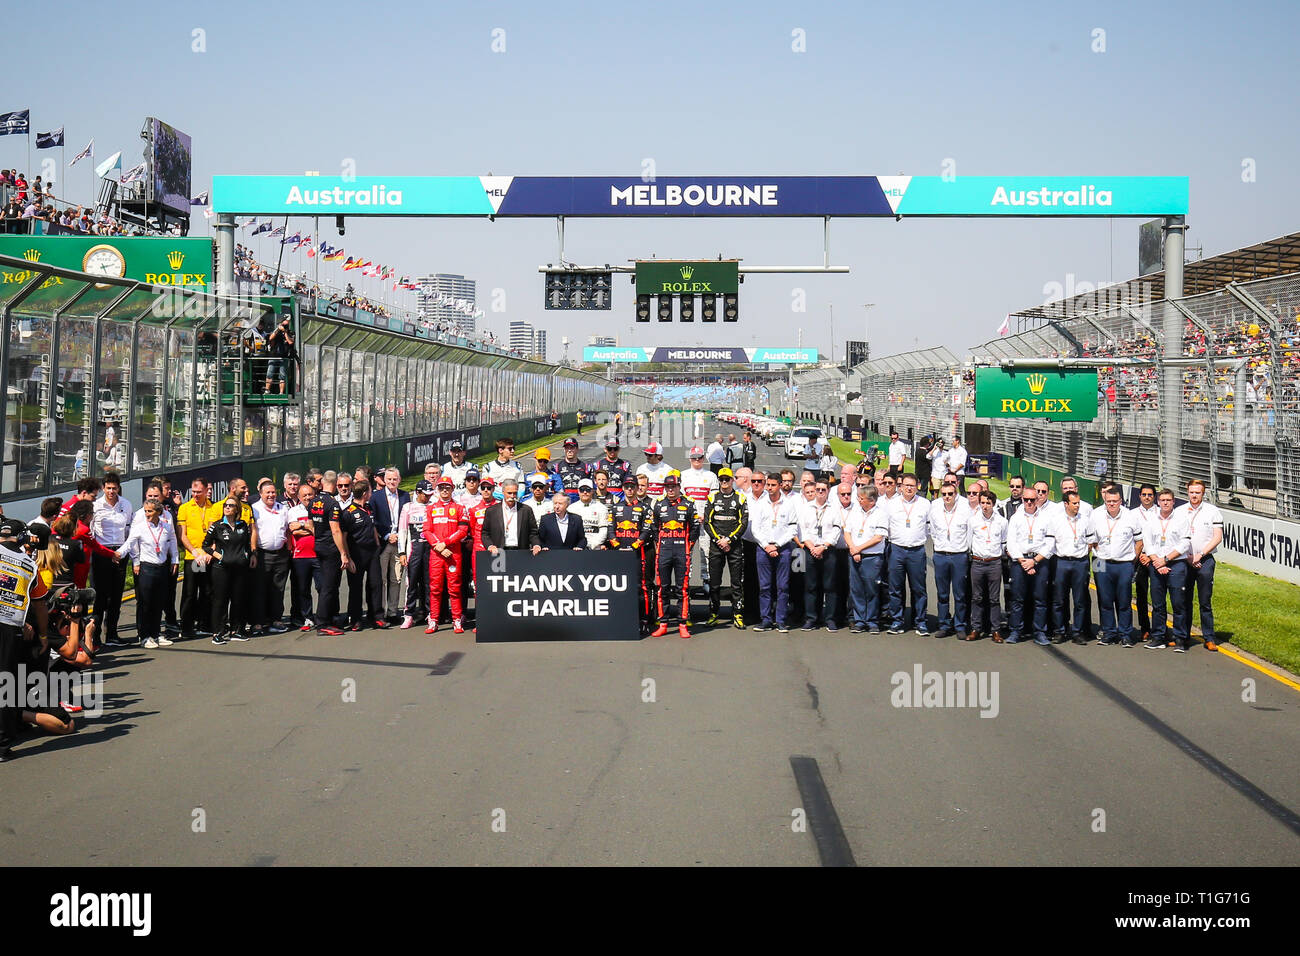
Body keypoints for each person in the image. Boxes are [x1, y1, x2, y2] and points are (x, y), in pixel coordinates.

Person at [117, 499, 179, 649]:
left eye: (150, 511)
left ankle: (156, 634)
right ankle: (144, 636)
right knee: (146, 603)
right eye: (145, 511)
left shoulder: (166, 525)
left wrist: (175, 559)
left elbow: (172, 540)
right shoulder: (140, 527)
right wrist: (118, 553)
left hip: (162, 567)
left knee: (159, 602)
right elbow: (129, 543)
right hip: (147, 568)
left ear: (158, 512)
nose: (147, 514)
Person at [1088, 486, 1145, 647]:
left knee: (1124, 600)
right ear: (1105, 501)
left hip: (1124, 563)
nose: (1111, 504)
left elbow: (1139, 542)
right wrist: (1099, 551)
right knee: (1104, 599)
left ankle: (1125, 634)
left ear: (1121, 501)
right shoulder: (1096, 515)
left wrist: (1132, 560)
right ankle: (1108, 633)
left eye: (1114, 501)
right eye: (1109, 501)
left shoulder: (1130, 516)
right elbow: (1091, 539)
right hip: (1101, 561)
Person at [1141, 488, 1193, 652]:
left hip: (1176, 564)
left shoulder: (1181, 519)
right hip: (1156, 564)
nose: (1165, 503)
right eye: (1162, 500)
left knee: (1178, 603)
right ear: (1158, 502)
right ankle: (1158, 636)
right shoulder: (1151, 520)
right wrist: (1157, 561)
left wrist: (1166, 559)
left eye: (1168, 500)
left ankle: (1180, 638)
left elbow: (1184, 544)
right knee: (1158, 604)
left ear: (1173, 502)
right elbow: (1147, 542)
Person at [650, 471, 700, 638]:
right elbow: (654, 527)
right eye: (668, 487)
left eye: (673, 486)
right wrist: (659, 545)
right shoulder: (658, 504)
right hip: (663, 551)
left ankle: (682, 624)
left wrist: (688, 546)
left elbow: (695, 528)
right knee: (662, 588)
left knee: (682, 589)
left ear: (679, 487)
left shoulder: (689, 504)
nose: (670, 489)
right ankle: (663, 623)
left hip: (681, 551)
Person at [1176, 478, 1223, 651]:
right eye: (1191, 492)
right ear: (1187, 492)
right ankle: (1183, 636)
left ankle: (1209, 638)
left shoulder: (1212, 511)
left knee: (1205, 601)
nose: (1194, 495)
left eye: (1198, 492)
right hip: (1185, 560)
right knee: (1184, 600)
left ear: (1203, 493)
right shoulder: (1179, 511)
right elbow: (1176, 536)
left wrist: (1200, 555)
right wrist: (1189, 557)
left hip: (1205, 560)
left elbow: (1217, 537)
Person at [1004, 487, 1054, 645]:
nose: (1029, 503)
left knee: (1040, 599)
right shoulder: (1016, 518)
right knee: (1017, 599)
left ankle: (1040, 632)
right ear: (1022, 499)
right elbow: (1011, 543)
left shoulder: (1046, 518)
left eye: (1032, 500)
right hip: (1020, 561)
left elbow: (1050, 543)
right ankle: (1015, 631)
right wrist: (1023, 561)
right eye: (1026, 500)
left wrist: (1035, 561)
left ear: (1037, 500)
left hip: (1039, 561)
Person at [750, 473, 799, 633]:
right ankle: (766, 619)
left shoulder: (788, 504)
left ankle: (781, 620)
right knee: (764, 586)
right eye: (768, 485)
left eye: (773, 485)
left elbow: (793, 529)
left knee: (782, 586)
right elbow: (755, 528)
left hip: (783, 549)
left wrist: (777, 545)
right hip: (763, 549)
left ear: (779, 485)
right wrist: (767, 545)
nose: (769, 488)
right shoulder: (761, 504)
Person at [204, 497, 256, 645]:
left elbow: (246, 544)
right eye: (225, 505)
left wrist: (250, 555)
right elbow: (205, 545)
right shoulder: (217, 526)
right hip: (221, 569)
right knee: (220, 601)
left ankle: (236, 631)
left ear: (236, 509)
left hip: (240, 569)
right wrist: (219, 556)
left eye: (231, 505)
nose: (227, 507)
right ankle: (217, 632)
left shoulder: (242, 525)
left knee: (238, 600)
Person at [89, 473, 133, 646]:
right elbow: (91, 532)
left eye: (114, 488)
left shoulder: (126, 504)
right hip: (102, 553)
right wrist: (105, 552)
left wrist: (121, 552)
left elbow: (129, 532)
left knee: (116, 597)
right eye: (108, 488)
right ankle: (95, 636)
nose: (111, 491)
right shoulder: (95, 506)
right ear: (103, 488)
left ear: (118, 488)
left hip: (120, 552)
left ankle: (112, 634)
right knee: (100, 597)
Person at [422, 477, 470, 634]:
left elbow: (463, 531)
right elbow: (426, 530)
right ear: (437, 489)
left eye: (447, 487)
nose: (444, 490)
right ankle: (434, 620)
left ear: (452, 489)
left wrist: (446, 543)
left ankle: (457, 619)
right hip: (437, 554)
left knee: (454, 588)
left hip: (453, 554)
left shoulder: (460, 508)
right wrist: (440, 546)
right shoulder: (430, 508)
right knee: (435, 588)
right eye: (441, 487)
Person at [704, 467, 748, 628]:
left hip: (734, 546)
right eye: (721, 479)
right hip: (716, 546)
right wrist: (719, 540)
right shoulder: (712, 497)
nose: (724, 482)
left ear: (732, 480)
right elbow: (707, 522)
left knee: (736, 583)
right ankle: (713, 613)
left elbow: (743, 523)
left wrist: (729, 540)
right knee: (714, 583)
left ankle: (738, 614)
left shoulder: (740, 498)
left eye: (727, 479)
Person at [609, 480, 656, 634]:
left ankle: (644, 619)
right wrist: (617, 546)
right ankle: (620, 618)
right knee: (618, 586)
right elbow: (610, 529)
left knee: (641, 587)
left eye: (632, 487)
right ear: (623, 488)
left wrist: (634, 546)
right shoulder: (615, 507)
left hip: (637, 553)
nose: (629, 489)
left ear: (636, 488)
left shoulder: (645, 508)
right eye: (627, 487)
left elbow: (647, 530)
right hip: (619, 553)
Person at [308, 478, 352, 636]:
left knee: (330, 585)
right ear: (334, 484)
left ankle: (330, 618)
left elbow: (310, 524)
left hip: (319, 546)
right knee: (328, 586)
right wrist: (343, 553)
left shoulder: (313, 501)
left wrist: (319, 538)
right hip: (330, 549)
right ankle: (322, 623)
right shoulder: (333, 503)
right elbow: (336, 530)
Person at [886, 474, 929, 634]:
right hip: (896, 549)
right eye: (906, 485)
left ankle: (920, 622)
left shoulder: (925, 504)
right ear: (901, 487)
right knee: (895, 587)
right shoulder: (891, 504)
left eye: (912, 485)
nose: (909, 488)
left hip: (916, 550)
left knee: (919, 588)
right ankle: (897, 621)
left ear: (917, 486)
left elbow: (930, 527)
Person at [1050, 490, 1094, 645]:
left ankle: (1077, 632)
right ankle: (1059, 631)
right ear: (1066, 504)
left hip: (1080, 563)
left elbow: (1091, 542)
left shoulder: (1086, 520)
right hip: (1061, 562)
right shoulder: (1056, 520)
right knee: (1059, 599)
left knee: (1080, 600)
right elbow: (1051, 543)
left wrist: (1082, 554)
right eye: (1074, 503)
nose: (1077, 506)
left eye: (1078, 503)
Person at [844, 483, 889, 633]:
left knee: (872, 590)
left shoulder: (881, 514)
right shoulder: (855, 512)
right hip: (854, 555)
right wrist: (853, 549)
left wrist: (859, 549)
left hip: (872, 558)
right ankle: (859, 620)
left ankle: (872, 621)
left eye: (862, 498)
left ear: (871, 500)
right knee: (856, 589)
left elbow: (878, 538)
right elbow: (847, 532)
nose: (858, 500)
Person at [799, 479, 843, 631]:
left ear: (828, 491)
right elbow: (802, 530)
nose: (820, 492)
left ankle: (830, 619)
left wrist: (823, 546)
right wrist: (812, 547)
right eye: (817, 489)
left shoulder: (834, 508)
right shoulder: (806, 508)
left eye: (823, 489)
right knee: (810, 586)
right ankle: (811, 618)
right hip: (810, 550)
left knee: (830, 586)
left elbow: (836, 530)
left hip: (828, 550)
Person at [929, 481, 971, 638]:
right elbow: (933, 531)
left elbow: (969, 533)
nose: (947, 497)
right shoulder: (935, 511)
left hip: (959, 555)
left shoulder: (965, 510)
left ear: (956, 495)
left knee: (960, 594)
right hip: (941, 555)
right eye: (944, 494)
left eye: (950, 494)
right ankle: (944, 624)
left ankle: (960, 626)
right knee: (942, 593)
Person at [251, 478, 291, 635]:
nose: (271, 495)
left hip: (281, 555)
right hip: (262, 554)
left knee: (278, 589)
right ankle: (258, 622)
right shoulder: (254, 509)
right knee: (260, 589)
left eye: (273, 492)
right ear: (261, 494)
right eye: (267, 492)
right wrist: (254, 552)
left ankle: (276, 620)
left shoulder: (283, 509)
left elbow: (287, 529)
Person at [342, 482, 384, 630]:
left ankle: (377, 617)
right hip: (356, 554)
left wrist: (377, 545)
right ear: (365, 493)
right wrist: (347, 557)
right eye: (370, 491)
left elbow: (373, 527)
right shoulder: (348, 512)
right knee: (355, 587)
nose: (371, 493)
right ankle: (355, 619)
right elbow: (343, 537)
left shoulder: (368, 508)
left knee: (376, 584)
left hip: (372, 552)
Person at [372, 467, 408, 625]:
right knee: (382, 579)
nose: (392, 482)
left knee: (396, 578)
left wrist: (400, 535)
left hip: (399, 542)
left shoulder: (405, 496)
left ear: (399, 480)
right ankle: (381, 611)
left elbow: (407, 518)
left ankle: (393, 611)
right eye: (389, 479)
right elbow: (373, 520)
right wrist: (386, 535)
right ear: (384, 480)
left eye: (395, 479)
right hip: (383, 542)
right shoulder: (375, 497)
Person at [681, 447, 719, 595]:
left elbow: (714, 500)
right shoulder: (683, 475)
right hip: (688, 521)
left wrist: (705, 515)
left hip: (705, 520)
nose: (697, 460)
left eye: (699, 457)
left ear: (703, 458)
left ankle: (706, 579)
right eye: (694, 457)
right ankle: (686, 579)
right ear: (690, 458)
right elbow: (681, 499)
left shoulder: (711, 476)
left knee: (706, 551)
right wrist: (691, 516)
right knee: (687, 551)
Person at [397, 481, 433, 629]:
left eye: (430, 494)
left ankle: (430, 614)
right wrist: (402, 552)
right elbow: (402, 530)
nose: (428, 497)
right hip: (413, 549)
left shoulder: (433, 506)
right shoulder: (408, 507)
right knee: (411, 584)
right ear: (418, 492)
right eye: (426, 494)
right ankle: (409, 614)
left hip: (430, 549)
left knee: (429, 583)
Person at [287, 483, 319, 630]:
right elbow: (294, 531)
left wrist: (301, 525)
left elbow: (320, 530)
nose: (307, 497)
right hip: (300, 556)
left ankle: (324, 616)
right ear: (299, 497)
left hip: (319, 555)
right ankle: (308, 618)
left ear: (314, 495)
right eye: (304, 495)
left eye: (310, 494)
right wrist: (309, 527)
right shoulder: (293, 511)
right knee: (303, 589)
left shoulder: (320, 509)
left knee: (322, 587)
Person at [481, 479, 541, 555]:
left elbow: (533, 532)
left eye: (515, 493)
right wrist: (490, 546)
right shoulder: (492, 511)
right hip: (499, 553)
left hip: (521, 552)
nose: (512, 496)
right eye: (509, 493)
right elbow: (485, 533)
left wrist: (536, 545)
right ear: (503, 492)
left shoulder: (526, 510)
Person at [1132, 484, 1158, 642]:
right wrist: (1140, 555)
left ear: (1154, 496)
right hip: (1140, 558)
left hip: (1155, 559)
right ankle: (1145, 628)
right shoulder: (1133, 514)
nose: (1147, 497)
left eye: (1150, 495)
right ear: (1139, 496)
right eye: (1144, 494)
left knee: (1157, 596)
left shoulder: (1160, 512)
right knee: (1141, 595)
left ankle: (1159, 628)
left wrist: (1151, 555)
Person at [570, 479, 610, 549]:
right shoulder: (571, 508)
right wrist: (578, 545)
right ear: (578, 491)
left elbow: (603, 529)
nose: (585, 492)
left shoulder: (601, 507)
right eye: (582, 490)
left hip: (595, 547)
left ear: (592, 491)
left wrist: (593, 544)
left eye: (588, 490)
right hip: (576, 548)